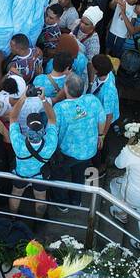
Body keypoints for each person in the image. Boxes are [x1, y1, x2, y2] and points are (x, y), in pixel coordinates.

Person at [49, 74, 108, 209]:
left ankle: (62, 203)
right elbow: (102, 119)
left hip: (67, 152)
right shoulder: (92, 100)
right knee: (79, 175)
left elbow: (53, 131)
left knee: (58, 176)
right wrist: (100, 136)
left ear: (66, 89)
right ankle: (76, 201)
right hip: (89, 149)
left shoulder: (60, 108)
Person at [5, 95, 59, 216]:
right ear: (42, 129)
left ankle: (13, 217)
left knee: (16, 194)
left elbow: (13, 117)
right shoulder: (50, 143)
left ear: (27, 129)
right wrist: (43, 99)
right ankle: (39, 220)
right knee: (40, 197)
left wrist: (23, 97)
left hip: (20, 174)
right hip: (40, 175)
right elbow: (52, 119)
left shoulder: (18, 143)